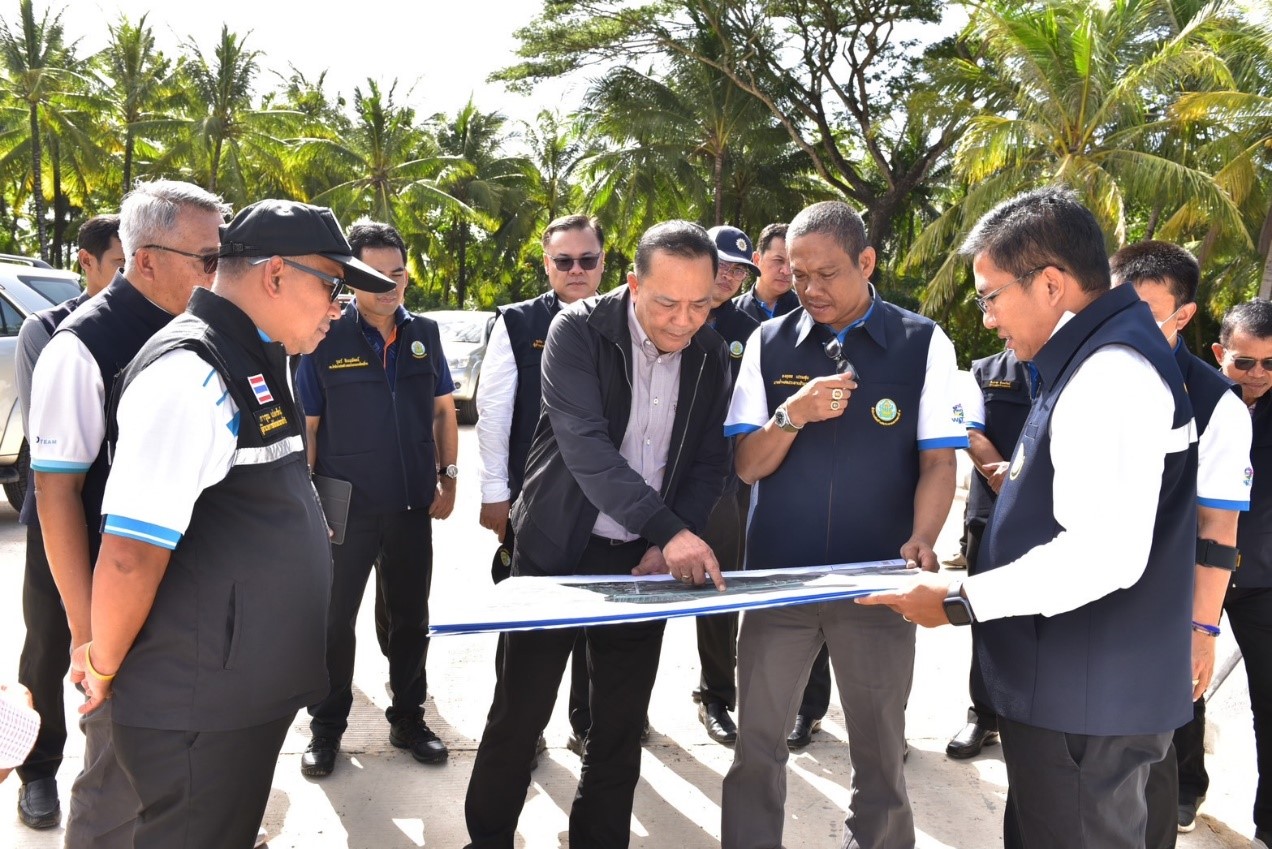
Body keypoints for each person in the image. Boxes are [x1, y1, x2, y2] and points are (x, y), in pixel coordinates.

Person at [863, 188, 1198, 849]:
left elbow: (1104, 552)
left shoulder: (1111, 371)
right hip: (1077, 697)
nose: (986, 319)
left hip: (1085, 706)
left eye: (990, 296)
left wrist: (959, 598)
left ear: (1050, 284)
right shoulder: (1092, 356)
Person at [77, 199, 397, 849]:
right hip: (198, 706)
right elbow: (130, 554)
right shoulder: (190, 371)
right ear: (275, 275)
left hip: (236, 698)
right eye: (333, 286)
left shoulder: (254, 354)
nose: (340, 307)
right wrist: (102, 665)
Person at [464, 220, 732, 849]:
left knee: (617, 723)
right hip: (556, 548)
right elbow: (586, 450)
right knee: (519, 712)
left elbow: (707, 463)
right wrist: (671, 532)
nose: (683, 320)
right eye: (667, 302)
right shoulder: (577, 330)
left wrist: (660, 541)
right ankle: (489, 837)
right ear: (633, 282)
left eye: (700, 304)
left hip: (641, 560)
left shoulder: (711, 352)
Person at [721, 200, 966, 849]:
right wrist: (793, 413)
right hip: (779, 579)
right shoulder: (770, 343)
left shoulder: (922, 343)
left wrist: (922, 537)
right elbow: (746, 465)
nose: (809, 289)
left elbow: (939, 461)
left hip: (877, 582)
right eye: (798, 274)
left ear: (866, 261)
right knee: (757, 747)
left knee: (881, 756)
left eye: (826, 273)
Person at [28, 182, 228, 848]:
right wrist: (90, 635)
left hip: (182, 597)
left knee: (179, 774)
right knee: (115, 780)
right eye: (203, 258)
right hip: (119, 602)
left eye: (218, 259)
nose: (214, 273)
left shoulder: (192, 333)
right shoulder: (80, 345)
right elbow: (57, 494)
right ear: (144, 259)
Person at [298, 221, 458, 776]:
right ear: (349, 278)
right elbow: (309, 429)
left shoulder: (425, 334)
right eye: (374, 274)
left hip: (412, 505)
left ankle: (409, 718)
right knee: (334, 622)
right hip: (344, 509)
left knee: (411, 619)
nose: (389, 285)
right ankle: (325, 730)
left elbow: (443, 412)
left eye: (398, 273)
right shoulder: (325, 336)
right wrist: (310, 502)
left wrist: (450, 477)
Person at [1109, 242, 1252, 847]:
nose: (1126, 325)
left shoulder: (1217, 406)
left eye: (1145, 312)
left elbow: (1218, 531)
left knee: (1149, 760)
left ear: (1183, 317)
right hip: (1079, 597)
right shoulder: (1087, 369)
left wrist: (1202, 633)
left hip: (1158, 613)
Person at [476, 214, 605, 759]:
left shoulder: (627, 318)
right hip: (538, 504)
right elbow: (494, 411)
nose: (576, 271)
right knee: (528, 628)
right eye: (564, 261)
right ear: (546, 264)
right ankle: (521, 734)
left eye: (587, 260)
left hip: (608, 504)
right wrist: (494, 494)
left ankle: (589, 725)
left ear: (603, 261)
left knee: (598, 624)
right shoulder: (515, 323)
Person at [12, 213, 122, 831]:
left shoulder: (157, 328)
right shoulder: (46, 331)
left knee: (125, 649)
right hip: (60, 515)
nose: (131, 277)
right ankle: (36, 773)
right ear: (86, 262)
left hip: (129, 520)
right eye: (118, 265)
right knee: (51, 644)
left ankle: (115, 778)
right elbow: (51, 442)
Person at [691, 224, 760, 746]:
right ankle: (609, 705)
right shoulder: (668, 308)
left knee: (719, 590)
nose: (730, 277)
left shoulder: (753, 326)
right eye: (722, 265)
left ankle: (716, 697)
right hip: (655, 471)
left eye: (740, 270)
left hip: (722, 478)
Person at [944, 348, 1030, 760]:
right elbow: (971, 433)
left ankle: (1033, 714)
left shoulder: (1076, 360)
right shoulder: (983, 371)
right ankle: (984, 714)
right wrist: (1014, 483)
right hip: (992, 512)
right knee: (985, 616)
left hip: (1054, 513)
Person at [1209, 298, 1272, 849]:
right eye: (1244, 363)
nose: (1257, 375)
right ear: (1218, 354)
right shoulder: (1192, 400)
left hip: (1265, 584)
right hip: (1197, 573)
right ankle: (1183, 792)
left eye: (1271, 364)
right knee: (1179, 694)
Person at [734, 222, 798, 322]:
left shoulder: (808, 312)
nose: (786, 271)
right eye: (778, 260)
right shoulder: (732, 312)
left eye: (792, 263)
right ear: (756, 259)